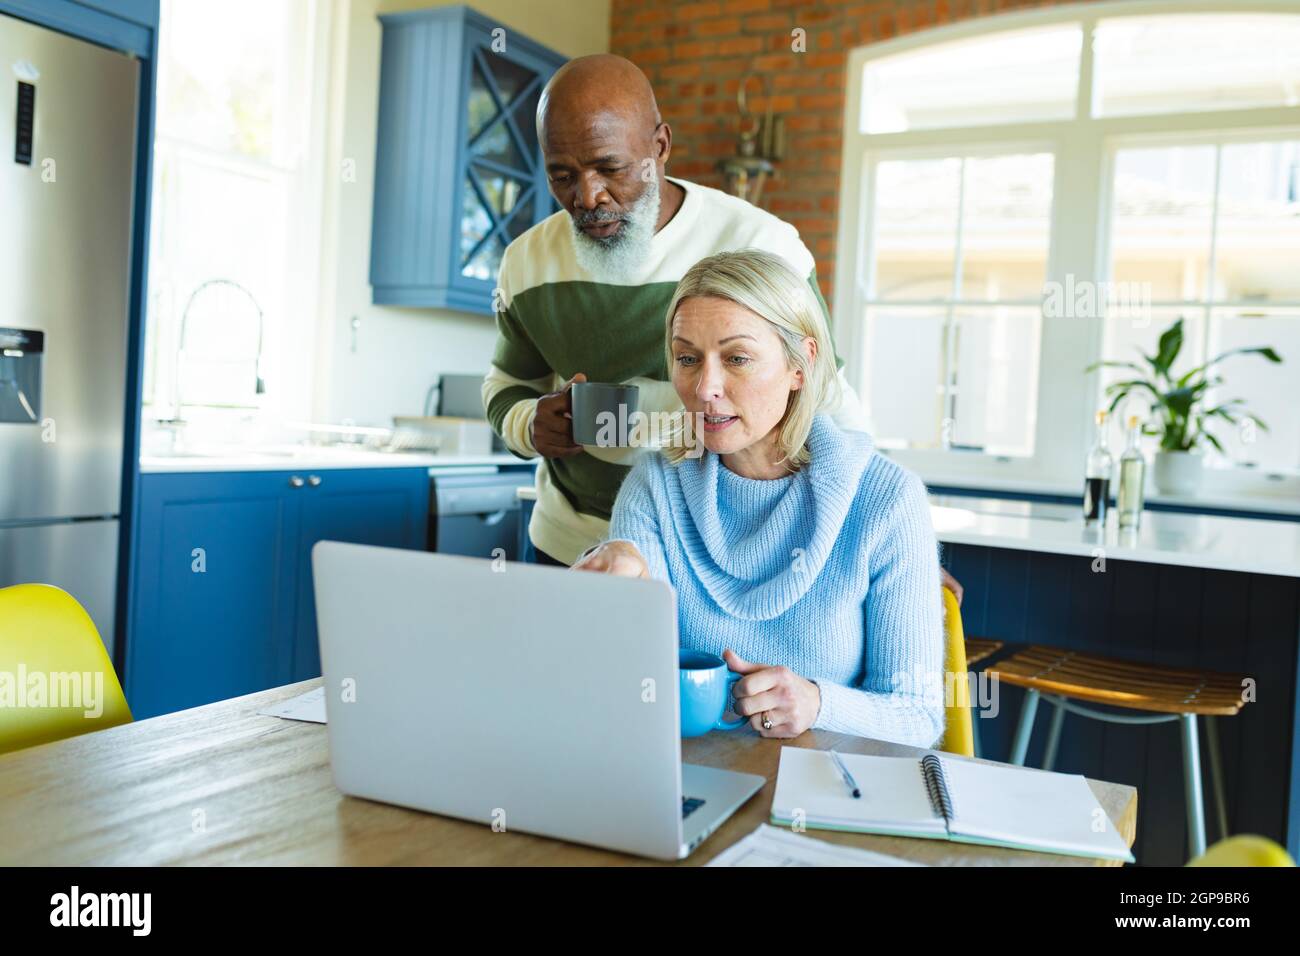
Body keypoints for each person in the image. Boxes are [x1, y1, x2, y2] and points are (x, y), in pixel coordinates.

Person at [481, 53, 869, 568]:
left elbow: (828, 403)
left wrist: (886, 540)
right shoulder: (526, 264)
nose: (588, 196)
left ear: (659, 147)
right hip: (571, 546)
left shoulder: (760, 243)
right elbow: (506, 386)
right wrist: (532, 424)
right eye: (562, 175)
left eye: (609, 168)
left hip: (722, 552)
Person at [574, 249, 946, 747]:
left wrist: (818, 703)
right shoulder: (656, 483)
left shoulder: (886, 500)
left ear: (801, 364)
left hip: (824, 789)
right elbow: (619, 682)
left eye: (737, 359)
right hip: (683, 785)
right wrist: (611, 567)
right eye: (687, 358)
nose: (705, 387)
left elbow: (917, 717)